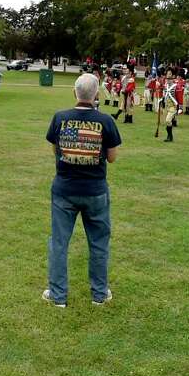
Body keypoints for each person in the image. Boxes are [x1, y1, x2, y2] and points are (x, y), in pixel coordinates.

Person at [43, 73, 121, 308]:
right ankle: (99, 294)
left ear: (74, 92)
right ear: (96, 95)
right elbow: (112, 158)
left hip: (64, 188)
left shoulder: (60, 118)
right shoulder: (105, 121)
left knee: (59, 242)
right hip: (95, 190)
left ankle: (58, 296)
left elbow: (55, 150)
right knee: (98, 243)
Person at [163, 66, 183, 142]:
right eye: (167, 74)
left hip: (173, 107)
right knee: (167, 122)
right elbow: (165, 95)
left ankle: (170, 136)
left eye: (170, 74)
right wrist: (162, 101)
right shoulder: (166, 86)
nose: (168, 76)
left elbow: (180, 98)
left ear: (173, 76)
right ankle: (169, 136)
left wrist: (180, 108)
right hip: (167, 106)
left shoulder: (176, 87)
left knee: (168, 120)